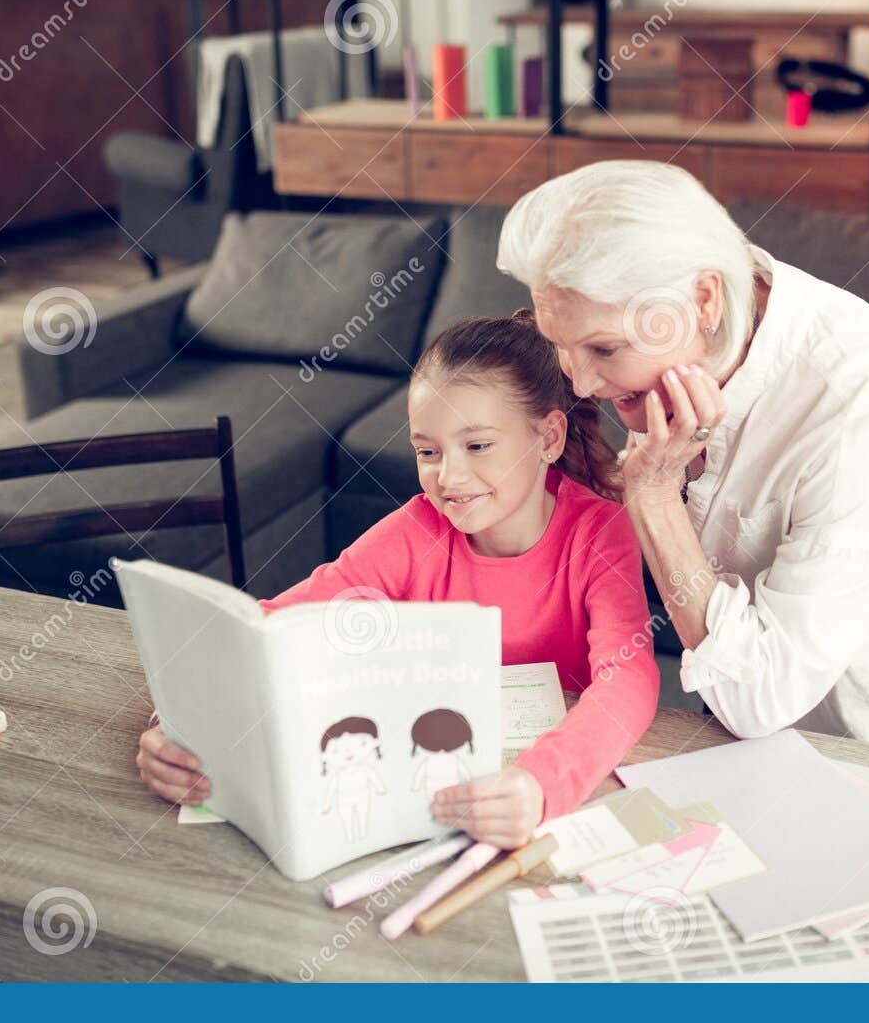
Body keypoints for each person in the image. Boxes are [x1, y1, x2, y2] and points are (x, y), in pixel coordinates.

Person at [498, 160, 869, 754]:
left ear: (704, 300)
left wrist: (656, 498)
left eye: (604, 349)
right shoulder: (691, 308)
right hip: (776, 664)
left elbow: (760, 696)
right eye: (562, 345)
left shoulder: (862, 407)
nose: (581, 382)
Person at [136, 313, 660, 846]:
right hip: (423, 797)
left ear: (548, 437)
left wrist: (541, 785)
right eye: (427, 452)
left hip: (537, 806)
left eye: (477, 446)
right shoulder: (416, 530)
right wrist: (178, 719)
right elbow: (272, 624)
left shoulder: (601, 532)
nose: (449, 478)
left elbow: (629, 679)